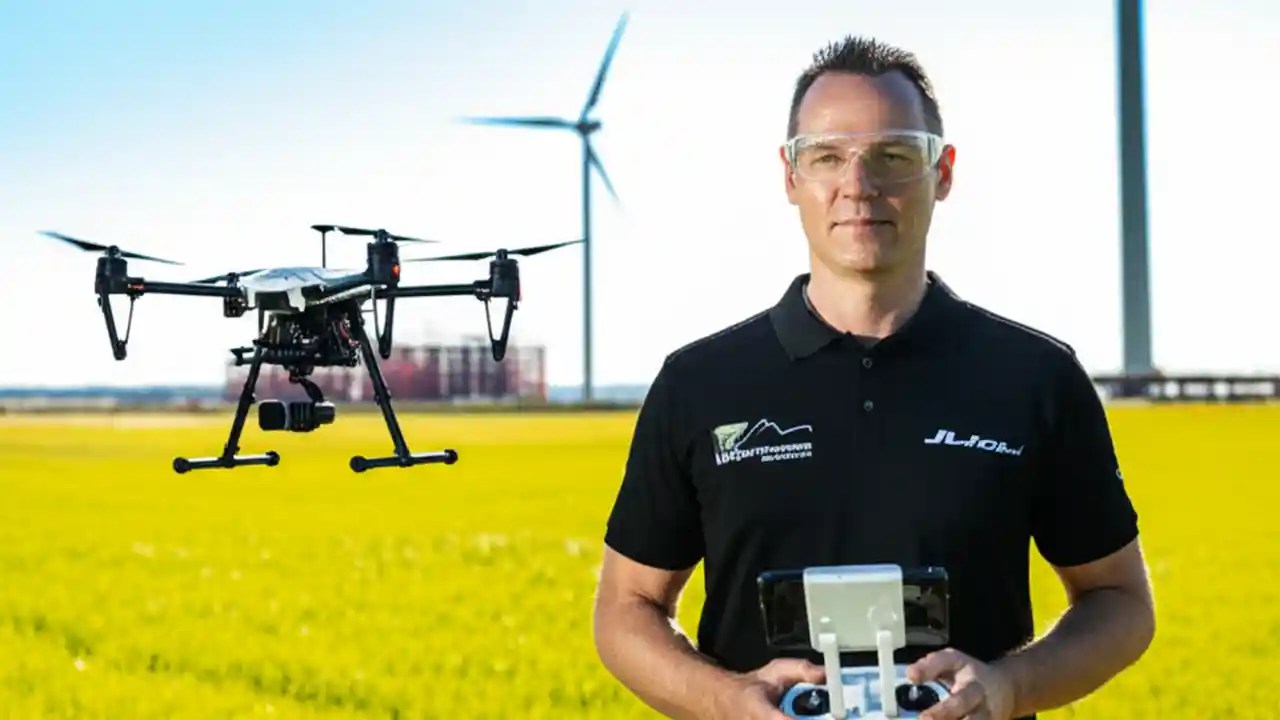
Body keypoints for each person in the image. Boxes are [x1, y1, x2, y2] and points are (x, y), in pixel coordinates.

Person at [592, 34, 1155, 720]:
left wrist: (1009, 687)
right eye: (828, 157)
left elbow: (1121, 602)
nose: (858, 185)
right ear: (790, 176)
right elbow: (625, 609)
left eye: (893, 156)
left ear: (942, 172)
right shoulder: (699, 384)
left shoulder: (1035, 377)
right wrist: (725, 700)